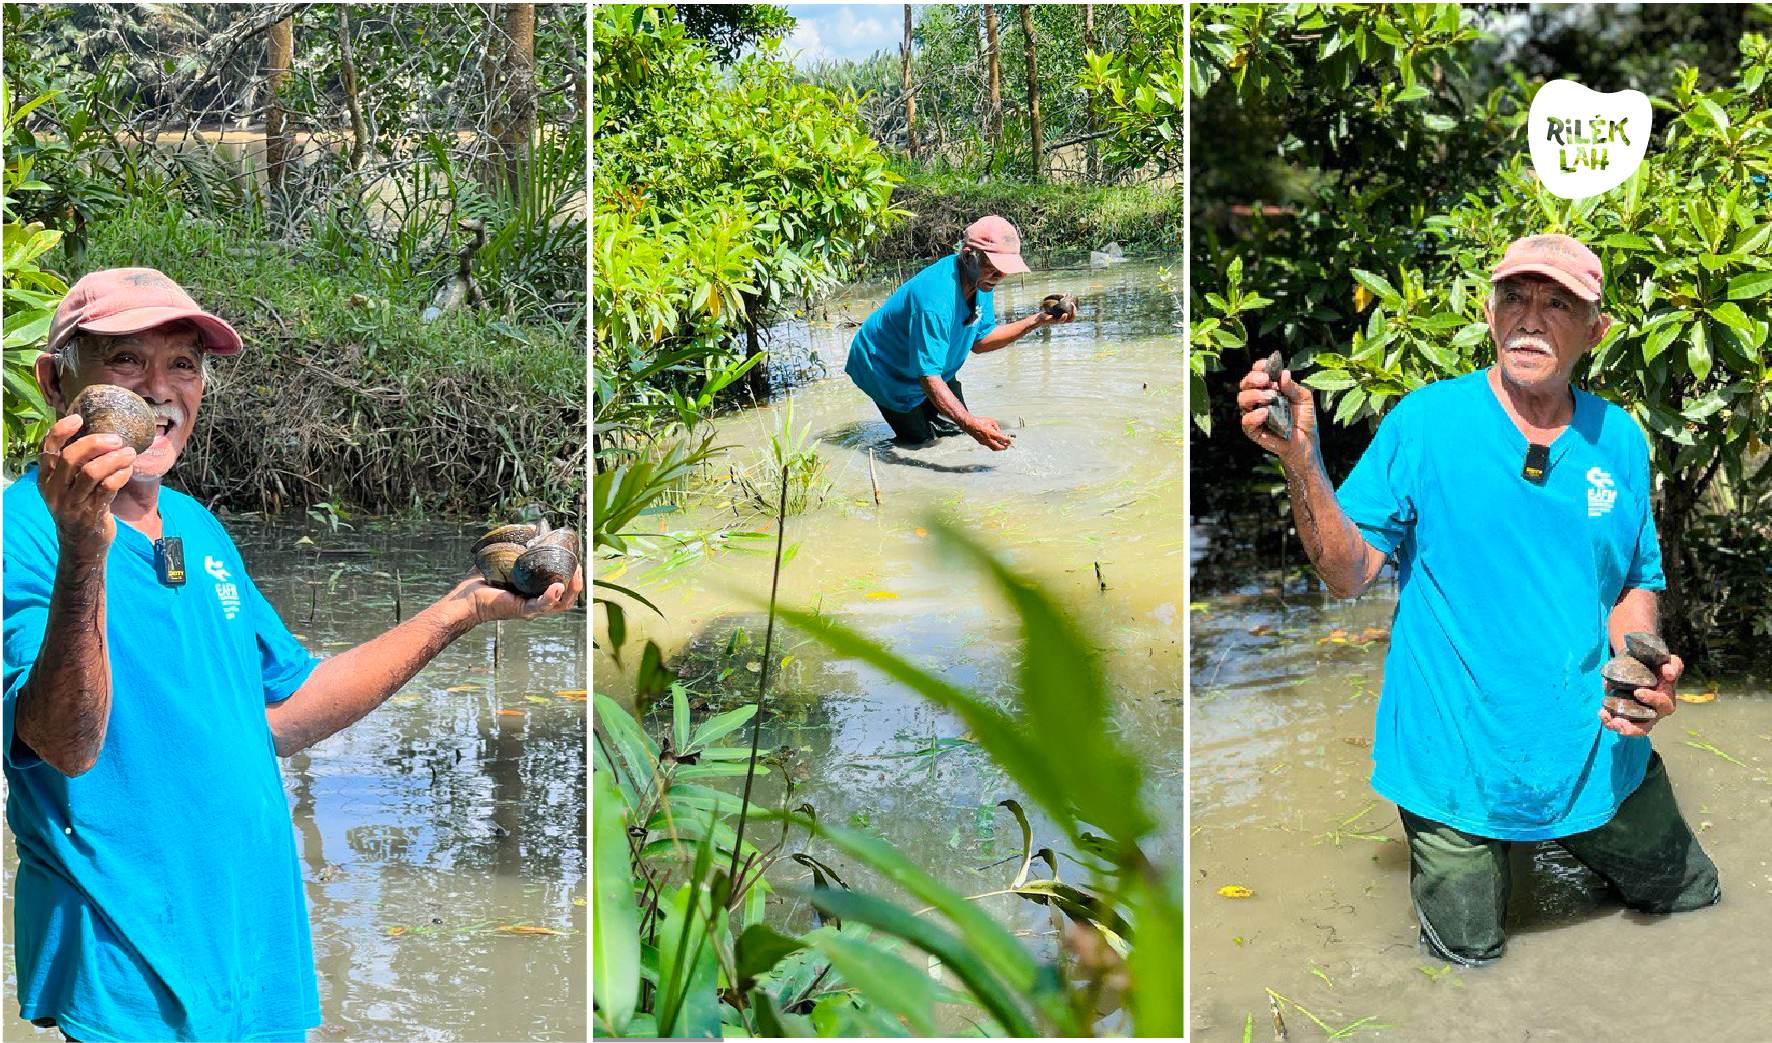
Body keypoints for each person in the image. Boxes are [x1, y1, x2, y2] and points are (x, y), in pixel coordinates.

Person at [2, 268, 584, 1041]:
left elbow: (283, 709)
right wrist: (84, 549)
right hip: (130, 964)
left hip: (253, 947)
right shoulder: (23, 532)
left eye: (182, 363)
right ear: (55, 381)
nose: (158, 392)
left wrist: (462, 608)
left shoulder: (194, 528)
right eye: (125, 364)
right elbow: (65, 744)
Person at [1236, 234, 1719, 965]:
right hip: (1452, 765)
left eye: (1558, 303)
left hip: (1594, 749)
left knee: (1694, 906)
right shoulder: (1426, 425)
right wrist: (1301, 459)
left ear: (1597, 330)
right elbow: (1347, 573)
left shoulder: (1618, 440)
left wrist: (1639, 661)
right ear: (1488, 313)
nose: (1531, 317)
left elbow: (1633, 581)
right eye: (1514, 297)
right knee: (1468, 970)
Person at [845, 215, 1073, 449]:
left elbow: (981, 341)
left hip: (933, 366)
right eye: (993, 266)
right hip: (885, 368)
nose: (999, 275)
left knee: (955, 434)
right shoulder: (935, 299)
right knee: (922, 445)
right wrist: (971, 423)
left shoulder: (982, 281)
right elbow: (928, 377)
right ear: (967, 256)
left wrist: (1037, 320)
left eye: (1004, 269)